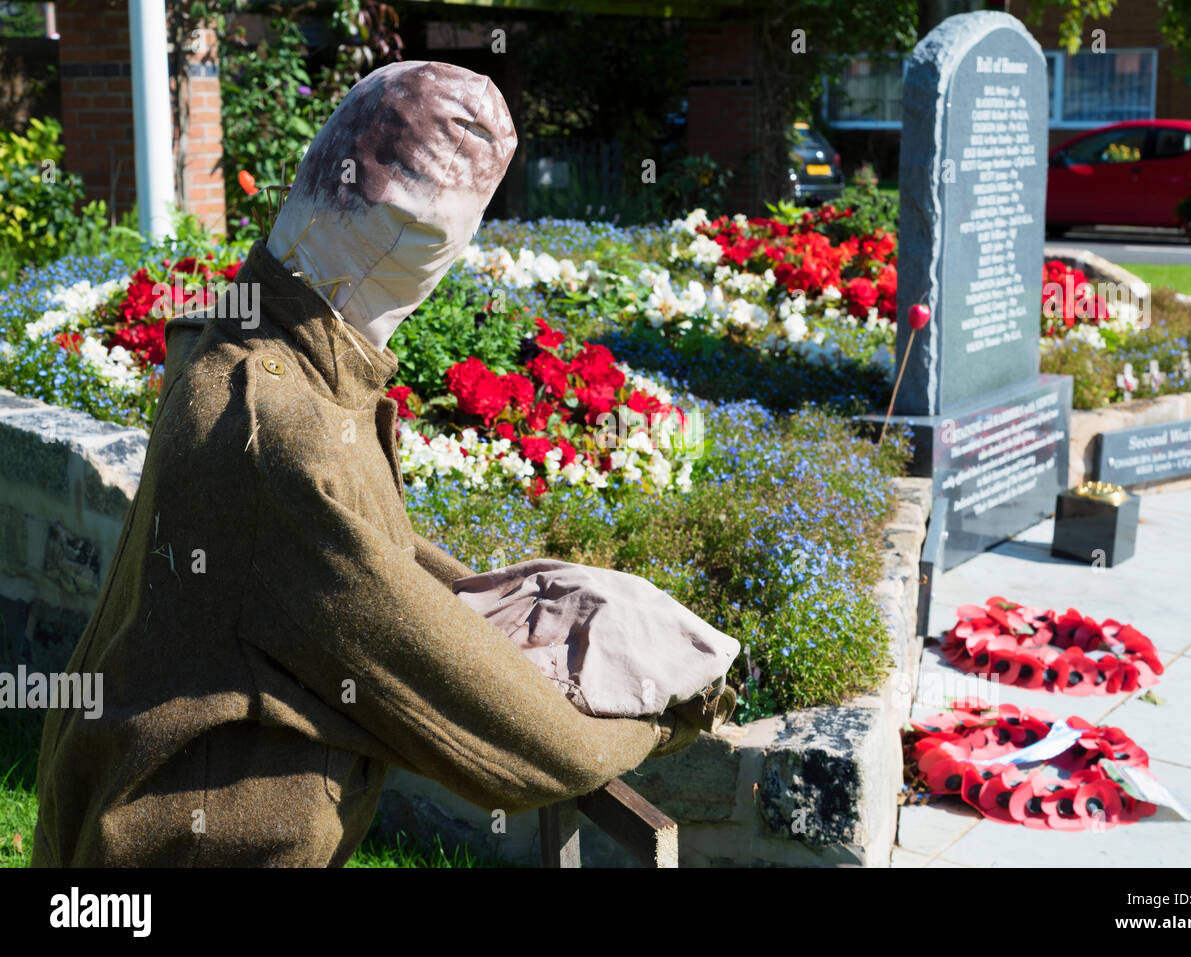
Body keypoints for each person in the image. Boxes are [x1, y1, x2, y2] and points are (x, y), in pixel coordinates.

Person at [32, 61, 700, 868]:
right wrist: (666, 710)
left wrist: (506, 598)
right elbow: (486, 723)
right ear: (411, 238)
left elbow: (365, 563)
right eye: (449, 240)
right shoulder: (273, 421)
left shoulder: (250, 349)